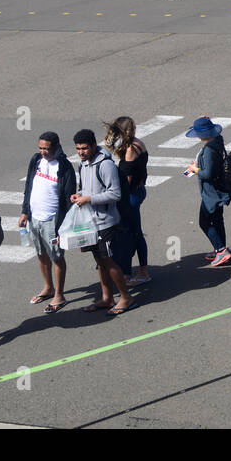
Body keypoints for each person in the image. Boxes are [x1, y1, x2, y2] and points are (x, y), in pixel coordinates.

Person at [73, 129, 135, 314]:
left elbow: (115, 194)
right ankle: (107, 298)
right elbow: (87, 188)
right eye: (78, 149)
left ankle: (126, 297)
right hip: (91, 221)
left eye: (84, 148)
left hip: (106, 222)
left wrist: (88, 199)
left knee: (108, 261)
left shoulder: (106, 165)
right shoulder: (83, 164)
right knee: (100, 262)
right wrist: (80, 195)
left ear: (93, 145)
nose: (81, 152)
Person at [18, 131, 74, 313]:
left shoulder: (65, 167)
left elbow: (67, 199)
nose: (43, 152)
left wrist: (62, 227)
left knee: (57, 256)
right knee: (41, 254)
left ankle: (59, 294)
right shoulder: (36, 161)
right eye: (40, 148)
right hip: (35, 217)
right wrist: (25, 212)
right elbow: (29, 187)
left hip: (53, 219)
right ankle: (48, 287)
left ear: (56, 147)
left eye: (47, 149)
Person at [105, 117, 150, 287]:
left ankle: (137, 272)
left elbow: (126, 180)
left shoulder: (131, 150)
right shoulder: (139, 143)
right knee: (134, 231)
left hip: (130, 196)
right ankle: (132, 270)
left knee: (131, 233)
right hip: (138, 191)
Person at [187, 116, 231, 266]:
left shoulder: (208, 150)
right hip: (218, 189)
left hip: (211, 193)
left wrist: (195, 170)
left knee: (205, 222)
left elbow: (208, 174)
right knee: (217, 220)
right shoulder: (217, 141)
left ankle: (221, 250)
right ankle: (220, 248)